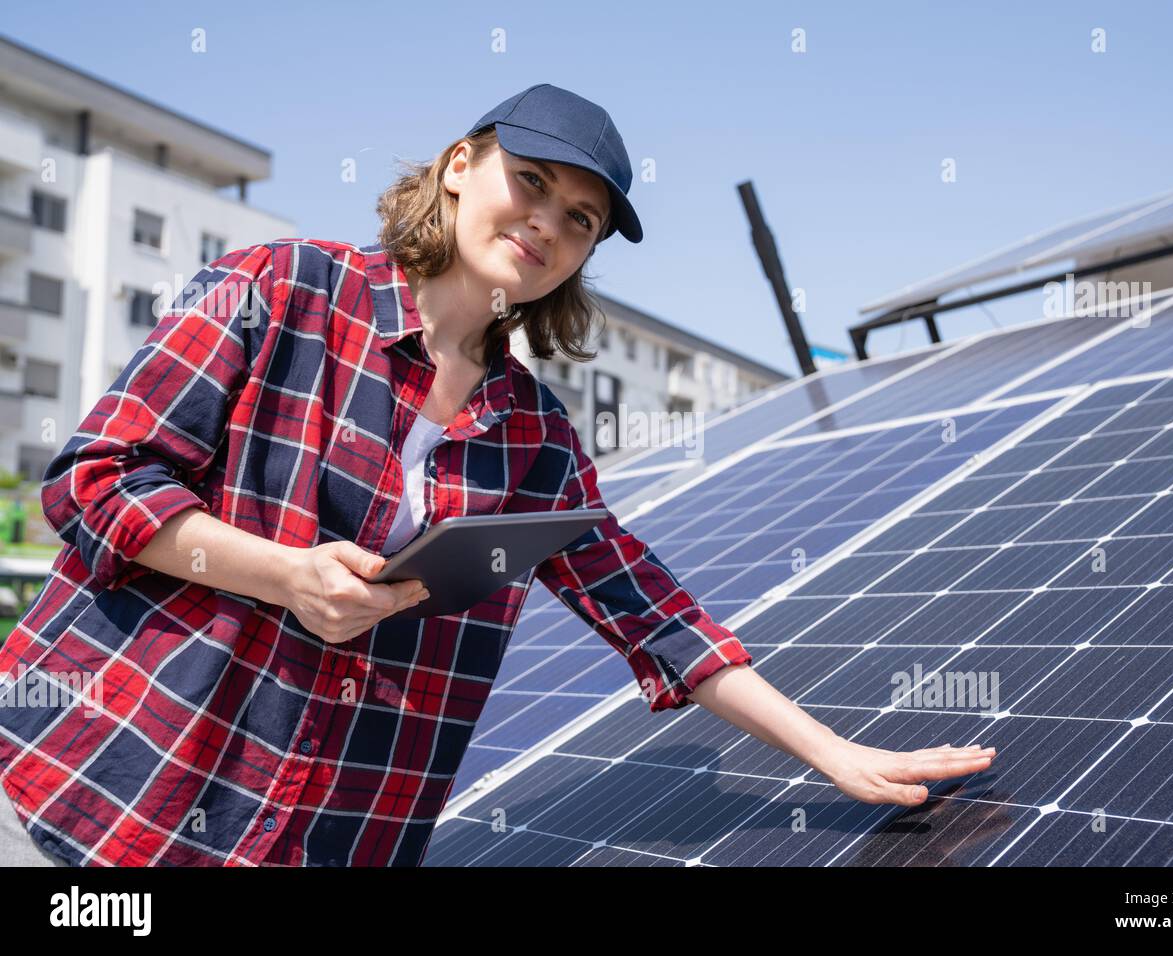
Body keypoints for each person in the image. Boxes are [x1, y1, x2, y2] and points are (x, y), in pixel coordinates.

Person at [0, 84, 995, 867]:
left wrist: (835, 752)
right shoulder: (278, 289)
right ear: (458, 167)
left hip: (327, 837)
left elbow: (655, 617)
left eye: (579, 218)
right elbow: (96, 480)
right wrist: (285, 574)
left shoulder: (536, 443)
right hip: (91, 800)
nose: (547, 224)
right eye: (530, 181)